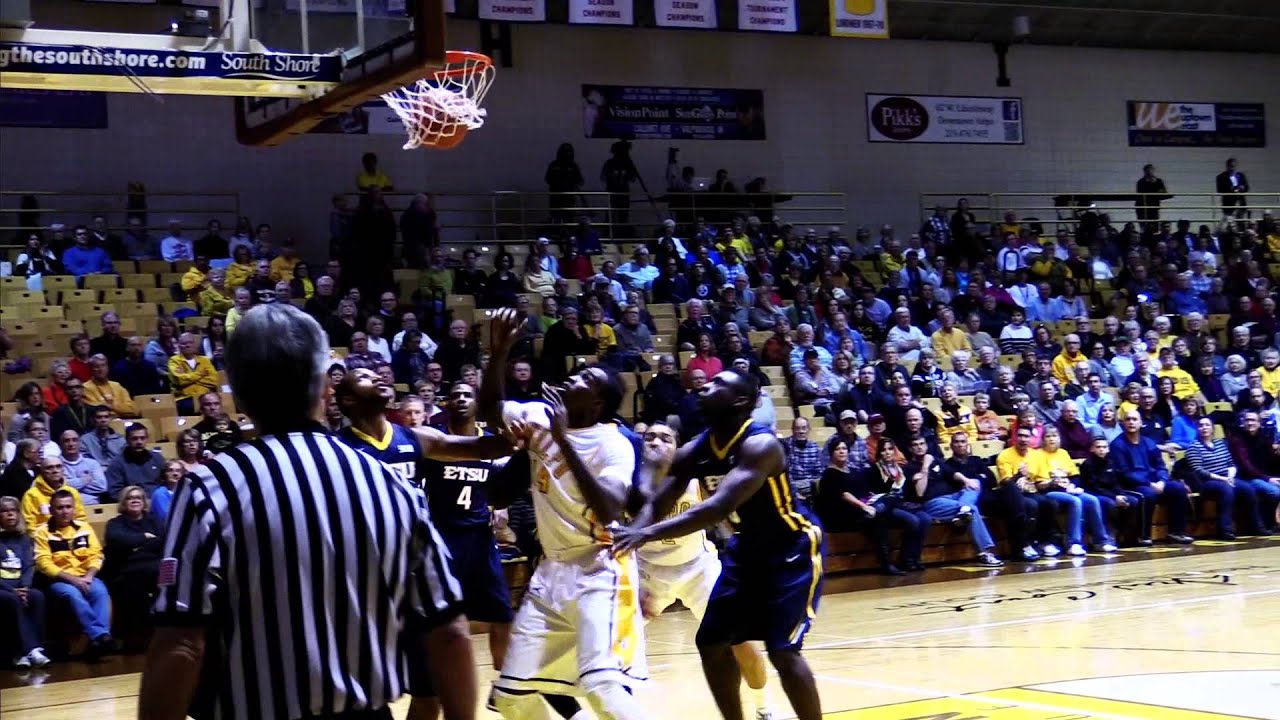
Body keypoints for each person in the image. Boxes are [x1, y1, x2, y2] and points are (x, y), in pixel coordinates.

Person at [139, 303, 478, 720]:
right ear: (325, 388)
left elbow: (181, 643)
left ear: (239, 392)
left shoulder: (209, 489)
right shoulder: (390, 483)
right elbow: (450, 632)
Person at [614, 369, 823, 720]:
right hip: (748, 549)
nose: (704, 385)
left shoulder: (761, 444)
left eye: (717, 384)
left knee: (782, 651)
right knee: (711, 642)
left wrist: (644, 534)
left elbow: (717, 508)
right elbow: (655, 502)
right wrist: (632, 533)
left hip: (792, 549)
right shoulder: (698, 447)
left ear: (740, 401)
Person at [481, 309, 648, 720]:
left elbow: (609, 508)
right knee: (510, 696)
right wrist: (498, 353)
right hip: (551, 572)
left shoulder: (613, 444)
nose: (575, 376)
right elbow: (489, 411)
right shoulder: (537, 416)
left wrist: (561, 440)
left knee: (601, 685)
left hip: (600, 568)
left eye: (586, 380)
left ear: (597, 404)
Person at [336, 370, 517, 720]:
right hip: (366, 585)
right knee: (365, 700)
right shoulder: (338, 447)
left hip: (412, 579)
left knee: (428, 695)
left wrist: (498, 362)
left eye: (377, 373)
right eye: (362, 375)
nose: (376, 376)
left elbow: (487, 447)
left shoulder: (414, 438)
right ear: (346, 400)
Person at [33, 490, 114, 660]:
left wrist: (90, 576)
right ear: (52, 510)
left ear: (74, 509)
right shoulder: (42, 532)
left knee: (100, 592)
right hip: (59, 580)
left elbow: (97, 554)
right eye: (60, 507)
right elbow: (43, 563)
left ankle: (97, 643)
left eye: (68, 507)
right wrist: (73, 580)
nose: (65, 511)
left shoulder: (84, 527)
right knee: (72, 594)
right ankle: (100, 635)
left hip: (86, 575)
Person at [1109, 409, 1193, 544]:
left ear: (1141, 423)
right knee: (1148, 495)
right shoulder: (1117, 445)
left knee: (1178, 488)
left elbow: (1161, 466)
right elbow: (1124, 473)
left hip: (1154, 482)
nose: (1131, 422)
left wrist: (1162, 481)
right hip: (1130, 485)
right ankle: (1143, 536)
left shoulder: (1149, 442)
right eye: (1128, 419)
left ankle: (1176, 532)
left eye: (1134, 419)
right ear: (1123, 423)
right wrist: (1150, 484)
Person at [102, 485, 165, 650]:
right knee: (132, 587)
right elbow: (116, 539)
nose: (135, 500)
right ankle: (137, 638)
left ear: (144, 502)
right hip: (125, 570)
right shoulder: (115, 523)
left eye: (139, 497)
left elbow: (163, 541)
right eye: (130, 498)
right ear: (123, 502)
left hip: (153, 568)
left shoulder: (155, 521)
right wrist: (145, 537)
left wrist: (136, 545)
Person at [0, 495, 50, 668]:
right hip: (3, 588)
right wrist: (12, 590)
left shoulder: (24, 539)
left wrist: (25, 586)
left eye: (13, 510)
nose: (10, 515)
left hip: (20, 586)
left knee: (37, 596)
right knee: (12, 600)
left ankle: (34, 650)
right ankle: (25, 651)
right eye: (4, 511)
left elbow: (29, 565)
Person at [105, 423, 166, 501]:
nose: (139, 442)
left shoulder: (157, 458)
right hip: (133, 504)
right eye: (134, 438)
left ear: (147, 439)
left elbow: (166, 482)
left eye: (142, 438)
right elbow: (114, 491)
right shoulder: (117, 463)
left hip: (157, 501)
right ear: (127, 440)